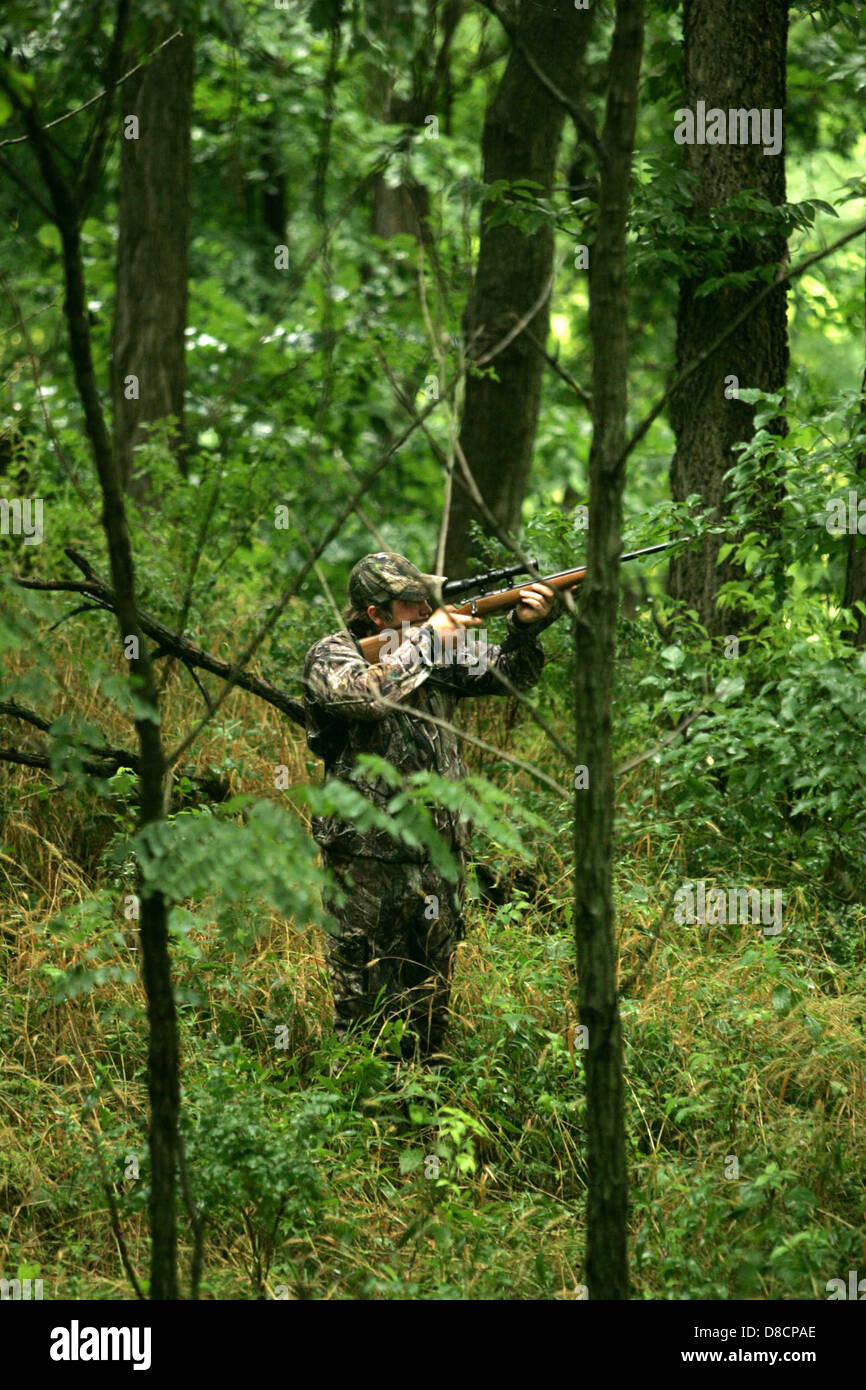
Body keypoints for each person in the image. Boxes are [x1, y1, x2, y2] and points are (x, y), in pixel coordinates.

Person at [302, 550, 557, 1059]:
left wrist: (524, 630)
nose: (423, 611)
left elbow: (510, 677)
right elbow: (367, 697)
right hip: (366, 863)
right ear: (375, 614)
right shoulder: (331, 655)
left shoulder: (434, 646)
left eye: (427, 602)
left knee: (429, 999)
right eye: (411, 604)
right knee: (362, 1003)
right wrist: (427, 639)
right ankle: (360, 1120)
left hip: (438, 859)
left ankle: (426, 1108)